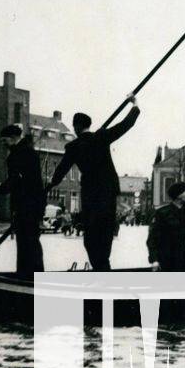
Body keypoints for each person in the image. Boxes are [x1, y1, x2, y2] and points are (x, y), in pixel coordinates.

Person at [46, 94, 141, 270]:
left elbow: (61, 171)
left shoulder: (73, 147)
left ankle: (100, 268)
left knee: (91, 238)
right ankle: (103, 268)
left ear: (75, 127)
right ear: (89, 125)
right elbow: (126, 124)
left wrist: (49, 186)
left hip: (90, 195)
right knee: (105, 236)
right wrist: (134, 104)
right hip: (108, 193)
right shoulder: (101, 137)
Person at [0, 124, 46, 279]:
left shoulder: (18, 155)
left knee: (26, 244)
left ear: (13, 138)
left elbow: (16, 181)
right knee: (30, 244)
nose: (3, 144)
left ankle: (28, 279)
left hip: (25, 207)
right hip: (32, 207)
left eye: (4, 140)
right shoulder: (28, 152)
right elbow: (20, 179)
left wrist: (0, 188)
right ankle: (32, 277)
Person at [147, 181, 185, 271]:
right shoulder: (162, 213)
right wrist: (154, 260)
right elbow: (152, 240)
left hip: (183, 257)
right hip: (165, 258)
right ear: (179, 195)